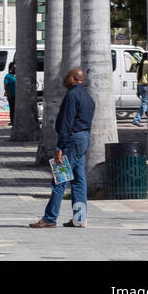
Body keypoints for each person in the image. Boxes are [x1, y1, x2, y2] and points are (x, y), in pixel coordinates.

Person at [31, 67, 95, 229]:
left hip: (72, 140)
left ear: (74, 79)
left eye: (68, 76)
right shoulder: (87, 97)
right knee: (79, 180)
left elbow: (67, 123)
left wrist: (60, 147)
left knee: (60, 179)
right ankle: (79, 218)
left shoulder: (72, 96)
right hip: (83, 138)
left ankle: (50, 218)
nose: (65, 79)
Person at [132, 52, 148, 127]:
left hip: (140, 85)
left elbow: (138, 78)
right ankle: (136, 119)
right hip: (146, 86)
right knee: (145, 104)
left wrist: (138, 90)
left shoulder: (140, 65)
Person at [5, 62, 18, 127]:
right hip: (11, 95)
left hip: (19, 96)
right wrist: (7, 93)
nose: (15, 69)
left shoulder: (19, 75)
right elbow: (5, 85)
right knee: (12, 109)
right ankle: (13, 123)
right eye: (14, 68)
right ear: (11, 69)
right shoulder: (8, 76)